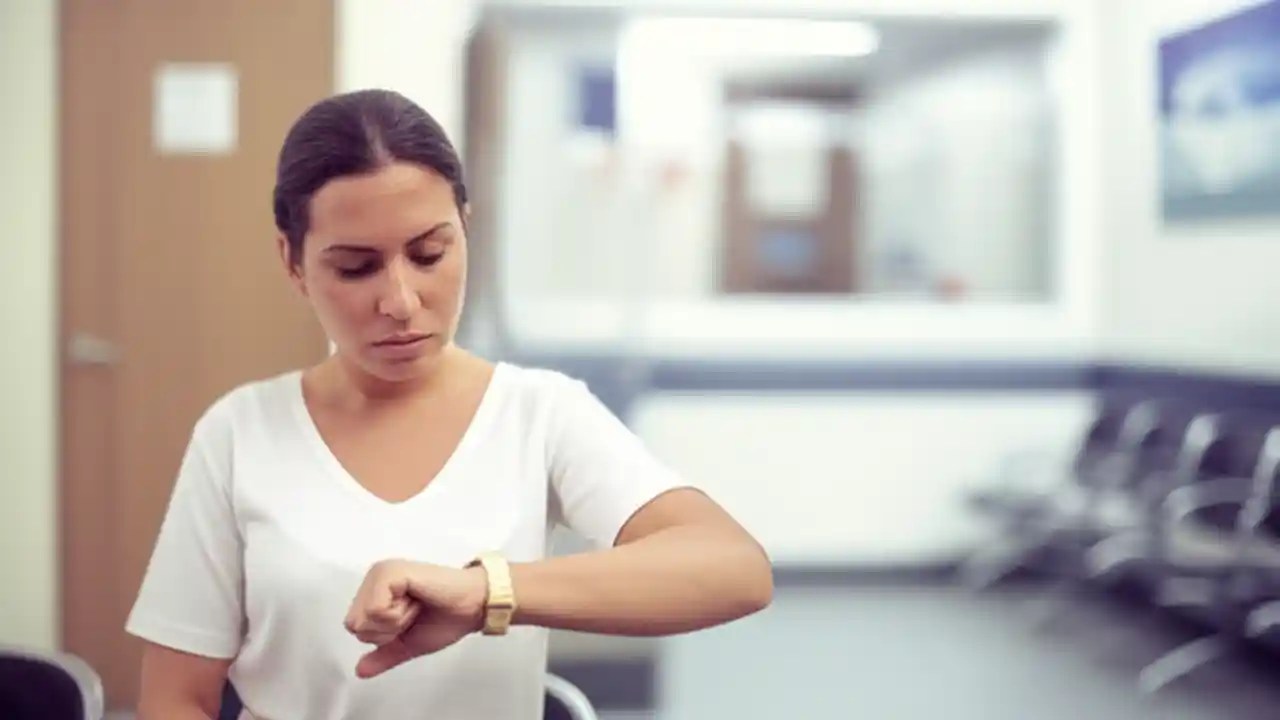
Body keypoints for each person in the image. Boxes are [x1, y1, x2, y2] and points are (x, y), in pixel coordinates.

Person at [125, 89, 773, 720]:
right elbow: (175, 698)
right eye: (356, 268)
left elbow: (733, 570)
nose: (401, 301)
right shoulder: (240, 433)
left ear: (464, 229)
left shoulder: (538, 414)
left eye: (429, 253)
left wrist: (488, 591)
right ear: (292, 263)